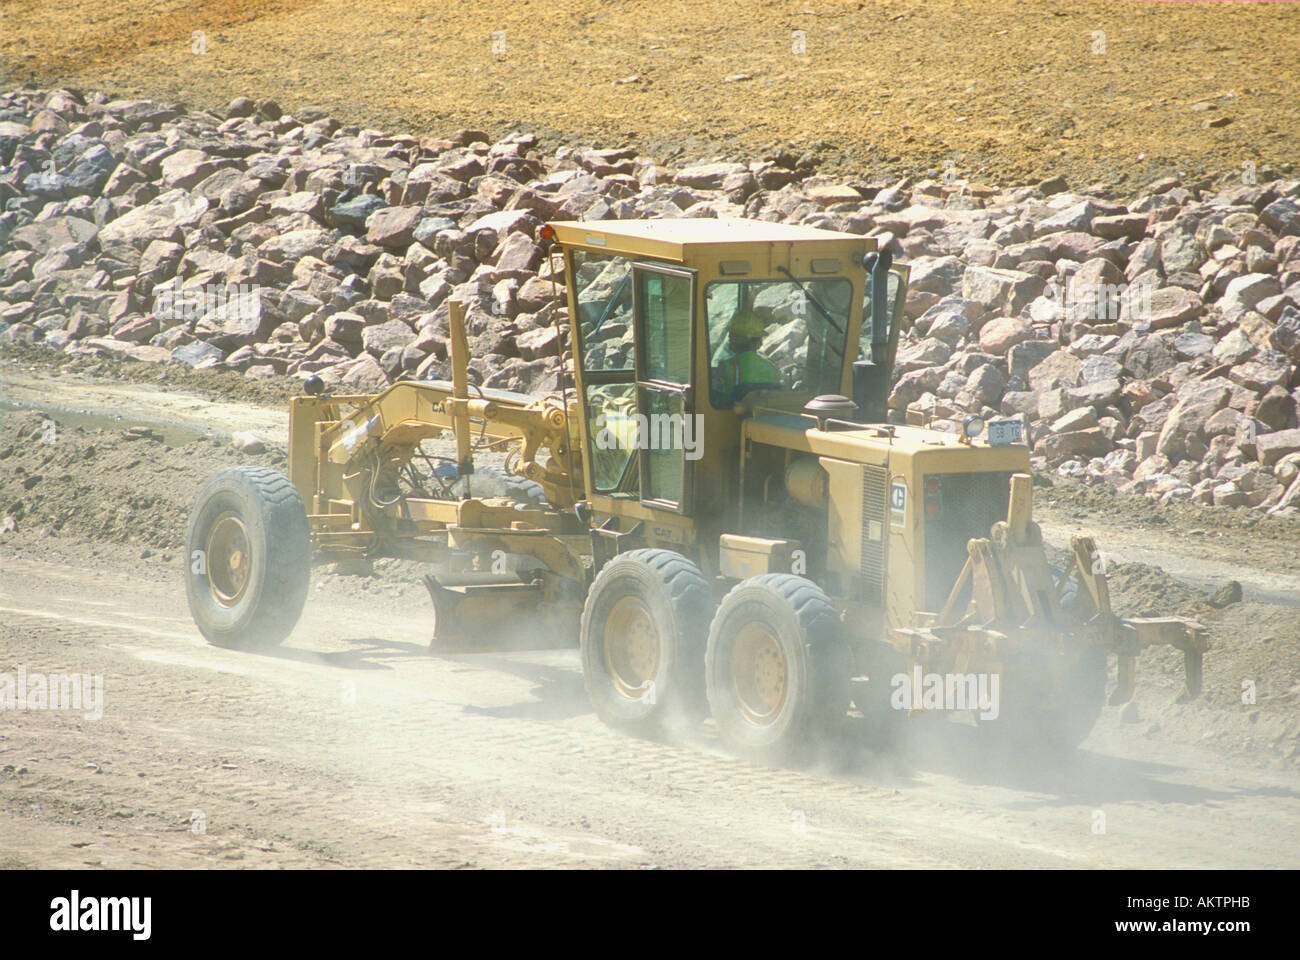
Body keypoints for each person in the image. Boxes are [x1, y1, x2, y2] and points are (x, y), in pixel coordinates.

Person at [712, 308, 779, 405]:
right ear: (759, 342)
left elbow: (714, 399)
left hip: (727, 416)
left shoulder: (724, 368)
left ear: (737, 339)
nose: (729, 338)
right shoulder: (772, 368)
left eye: (732, 335)